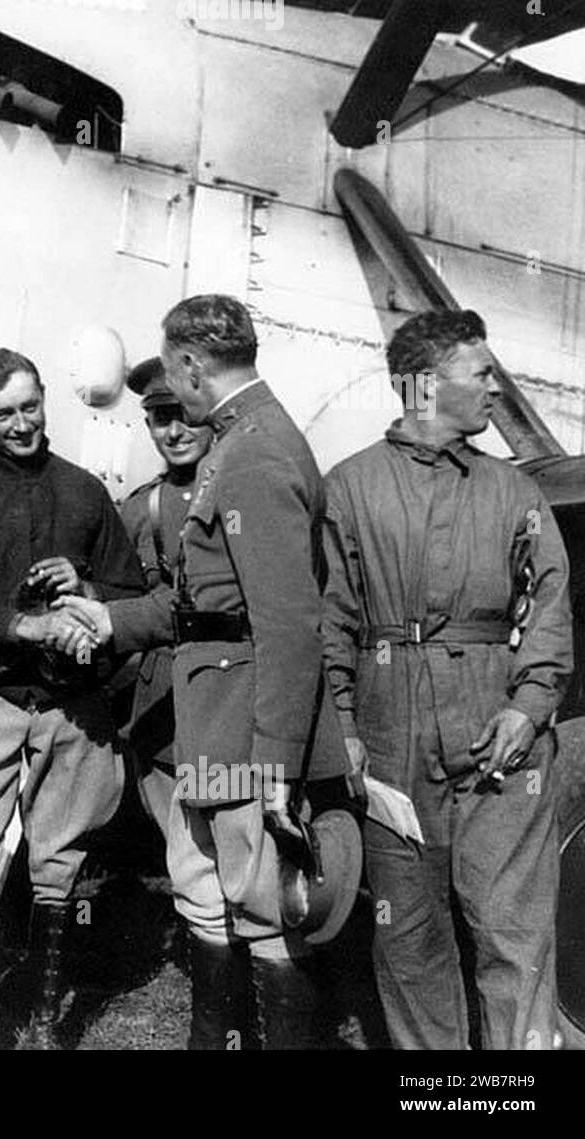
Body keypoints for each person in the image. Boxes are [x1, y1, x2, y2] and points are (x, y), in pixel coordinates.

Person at [59, 295, 349, 1049]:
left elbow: (288, 622)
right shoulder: (246, 439)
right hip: (218, 712)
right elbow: (207, 601)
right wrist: (114, 620)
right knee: (235, 895)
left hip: (244, 724)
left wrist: (276, 765)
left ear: (190, 366)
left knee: (265, 907)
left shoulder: (252, 453)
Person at [321, 310, 572, 1050]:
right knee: (409, 942)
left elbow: (551, 601)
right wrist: (346, 735)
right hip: (389, 734)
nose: (498, 387)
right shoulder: (349, 488)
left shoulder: (516, 494)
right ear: (426, 386)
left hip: (501, 737)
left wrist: (529, 708)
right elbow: (330, 622)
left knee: (515, 933)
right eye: (482, 373)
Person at [0, 347, 145, 1050]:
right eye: (2, 413)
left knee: (60, 865)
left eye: (29, 406)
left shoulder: (85, 491)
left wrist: (87, 591)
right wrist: (29, 624)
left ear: (46, 396)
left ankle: (44, 1027)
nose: (20, 424)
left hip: (71, 707)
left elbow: (132, 596)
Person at [114, 358, 212, 834]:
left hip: (226, 699)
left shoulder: (245, 491)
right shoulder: (140, 508)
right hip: (159, 711)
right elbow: (117, 598)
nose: (174, 432)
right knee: (177, 840)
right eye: (160, 418)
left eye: (186, 415)